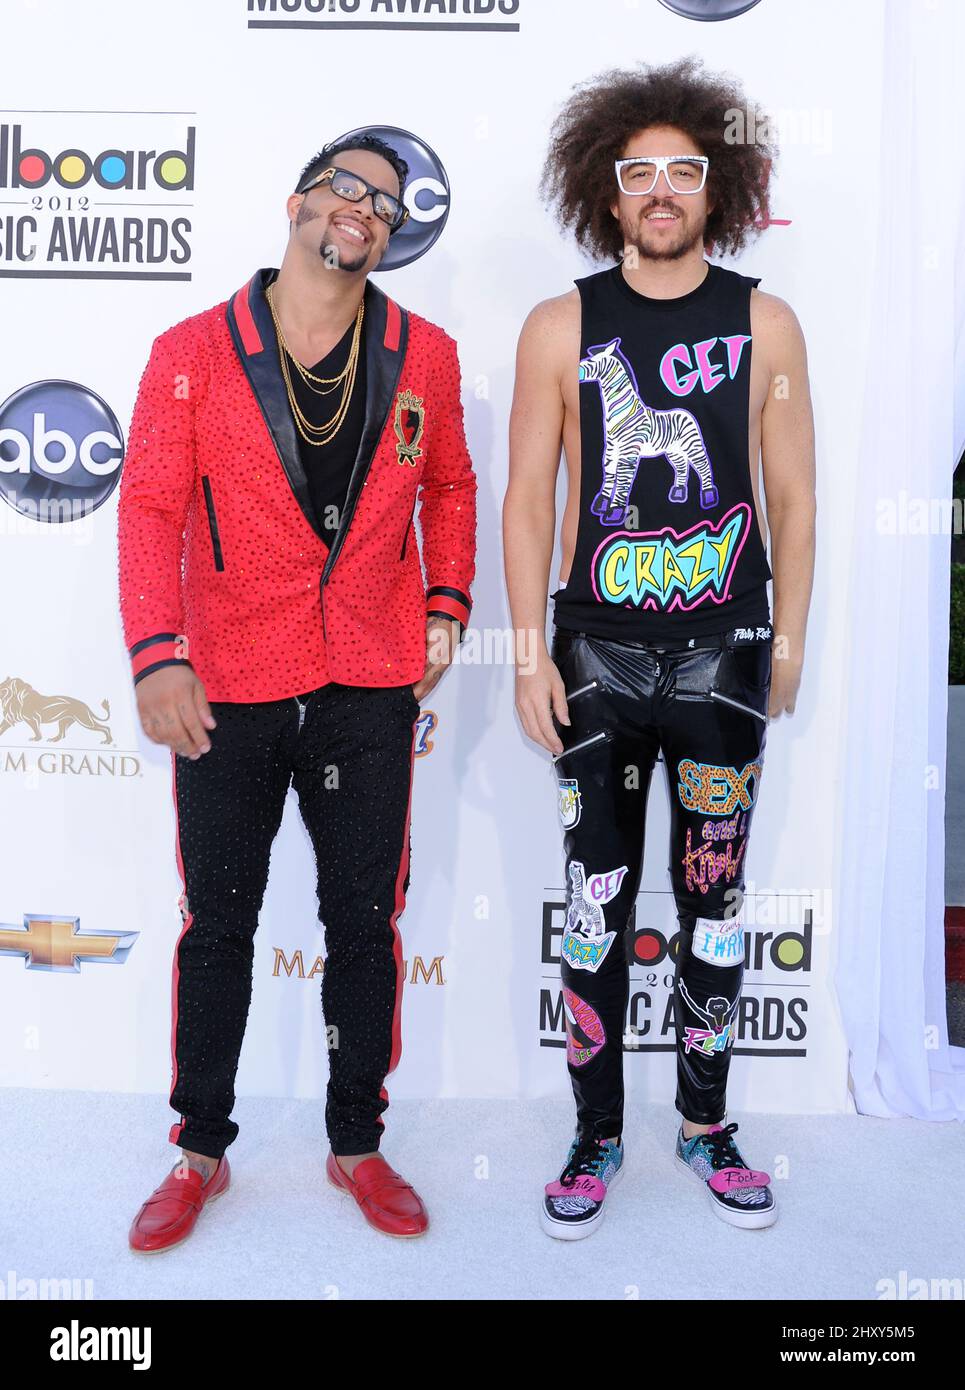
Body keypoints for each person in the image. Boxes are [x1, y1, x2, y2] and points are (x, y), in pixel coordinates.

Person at [118, 133, 476, 1250]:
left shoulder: (427, 355)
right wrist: (157, 653)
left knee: (363, 926)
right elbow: (148, 511)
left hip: (369, 682)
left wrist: (447, 603)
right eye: (343, 188)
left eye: (383, 200)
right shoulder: (189, 350)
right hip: (226, 684)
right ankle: (198, 1152)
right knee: (217, 926)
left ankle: (356, 1142)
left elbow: (452, 484)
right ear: (297, 203)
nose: (362, 208)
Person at [504, 58, 815, 1238]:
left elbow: (793, 494)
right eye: (638, 173)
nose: (660, 190)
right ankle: (593, 1134)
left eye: (683, 170)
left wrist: (785, 641)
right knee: (593, 906)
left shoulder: (763, 319)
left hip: (725, 654)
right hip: (596, 655)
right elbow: (529, 497)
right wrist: (529, 649)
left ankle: (704, 1124)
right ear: (605, 190)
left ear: (716, 187)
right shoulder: (560, 322)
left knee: (714, 904)